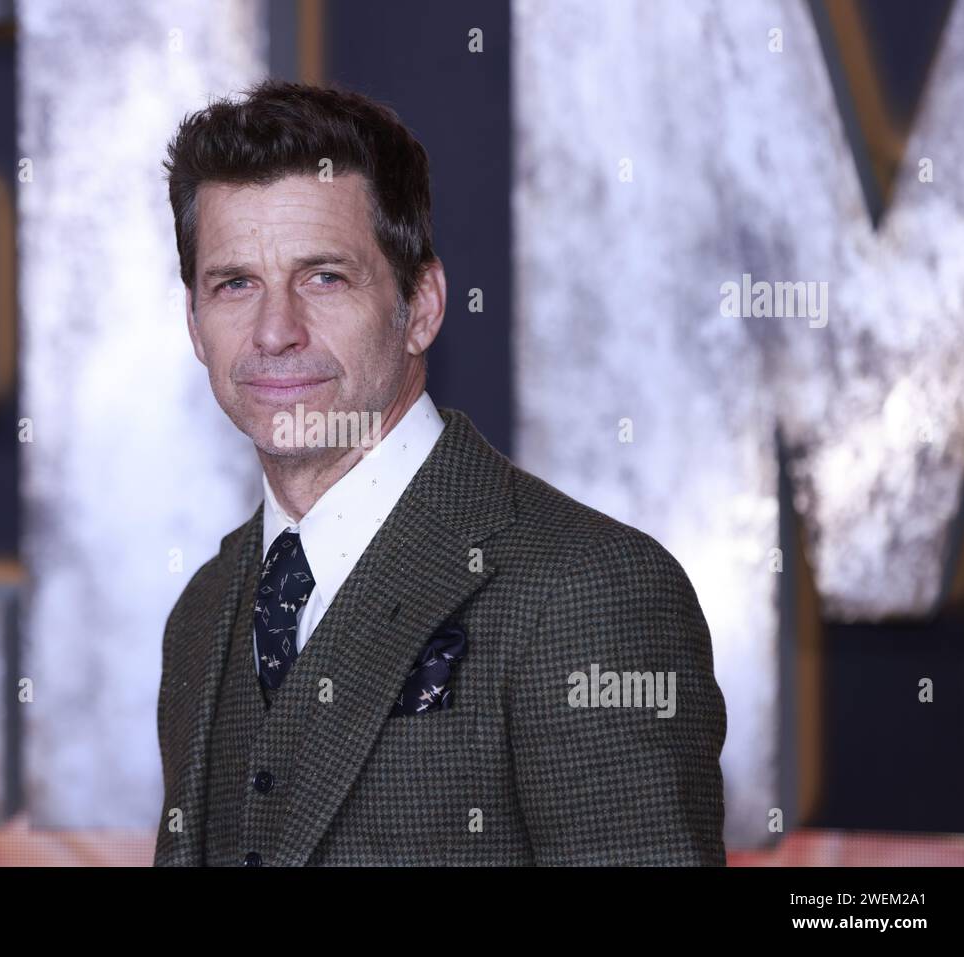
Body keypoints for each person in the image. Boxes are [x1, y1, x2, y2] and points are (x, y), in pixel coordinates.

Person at [153, 80, 726, 866]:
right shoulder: (204, 608)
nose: (275, 330)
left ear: (420, 304)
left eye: (324, 276)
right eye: (235, 283)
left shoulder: (589, 587)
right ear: (195, 324)